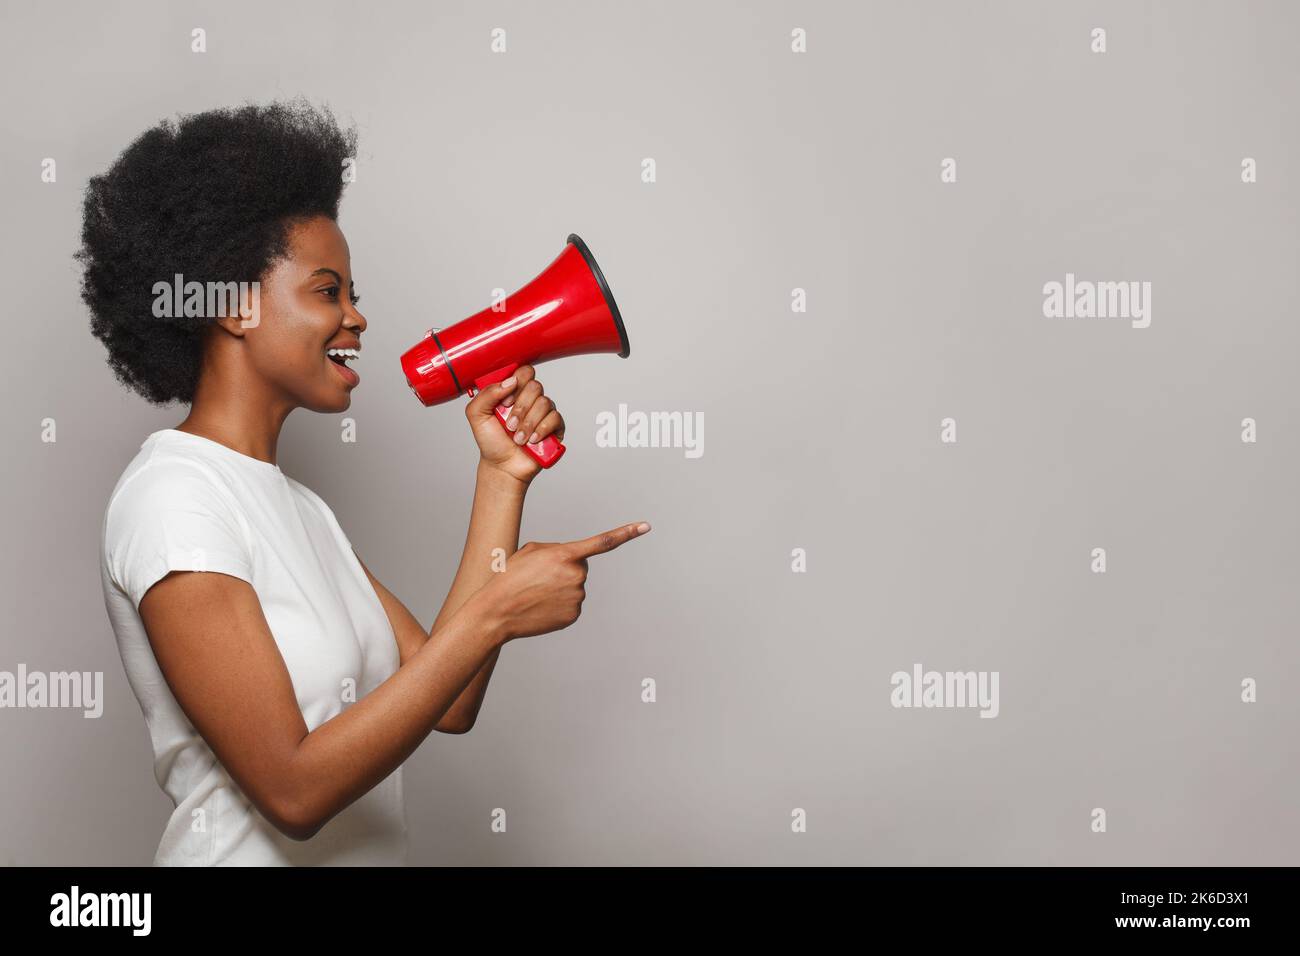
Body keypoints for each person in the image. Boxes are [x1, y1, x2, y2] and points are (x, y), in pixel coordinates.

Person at [78, 99, 650, 866]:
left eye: (354, 293)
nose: (358, 319)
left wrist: (502, 478)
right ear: (236, 306)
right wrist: (498, 612)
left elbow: (449, 698)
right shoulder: (173, 498)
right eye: (328, 292)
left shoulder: (304, 511)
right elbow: (293, 791)